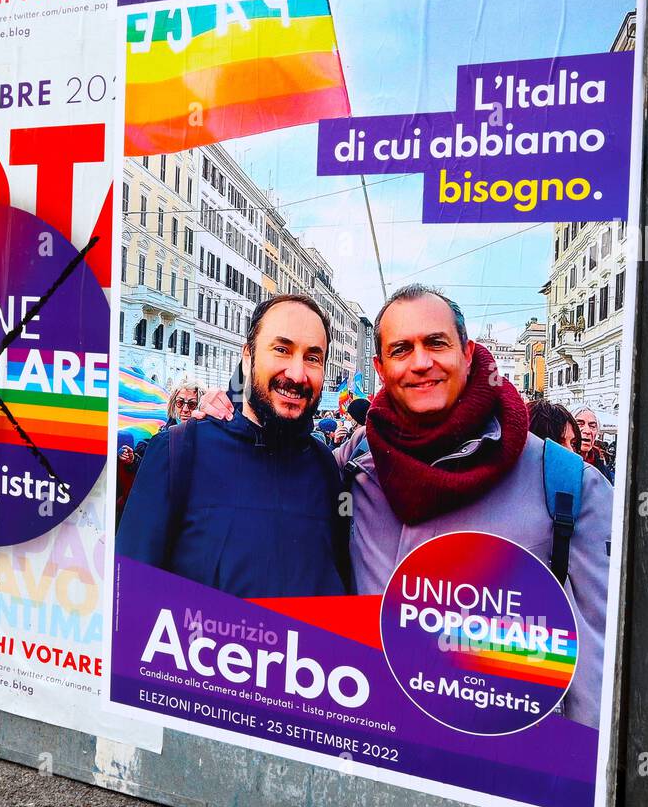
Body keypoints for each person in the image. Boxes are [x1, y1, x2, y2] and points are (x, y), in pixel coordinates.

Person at [198, 284, 613, 728]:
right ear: (380, 368)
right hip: (369, 745)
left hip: (499, 766)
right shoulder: (354, 462)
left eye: (436, 343)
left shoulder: (567, 485)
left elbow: (600, 667)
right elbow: (278, 474)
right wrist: (227, 425)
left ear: (468, 353)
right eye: (401, 349)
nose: (421, 362)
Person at [117, 294, 350, 598]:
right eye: (281, 349)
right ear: (248, 356)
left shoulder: (326, 469)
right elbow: (129, 597)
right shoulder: (178, 451)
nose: (297, 373)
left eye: (312, 358)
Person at [574, 406, 615, 484]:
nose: (587, 431)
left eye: (592, 426)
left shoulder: (602, 468)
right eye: (580, 424)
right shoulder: (562, 463)